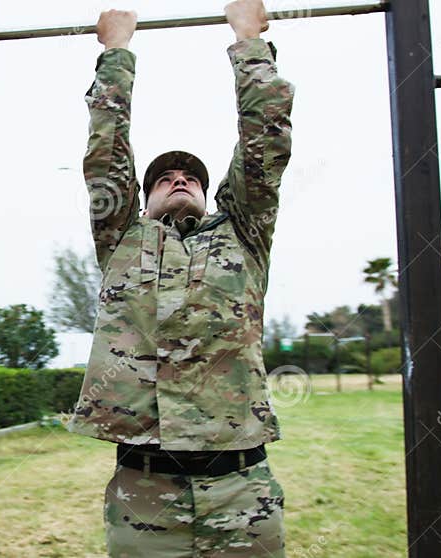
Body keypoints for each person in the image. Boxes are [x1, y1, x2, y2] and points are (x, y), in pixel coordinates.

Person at [66, 1, 295, 555]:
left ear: (209, 191)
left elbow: (266, 141)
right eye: (163, 178)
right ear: (140, 201)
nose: (178, 179)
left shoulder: (243, 234)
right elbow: (106, 153)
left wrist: (248, 42)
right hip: (144, 492)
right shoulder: (123, 237)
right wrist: (115, 53)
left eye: (190, 176)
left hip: (243, 492)